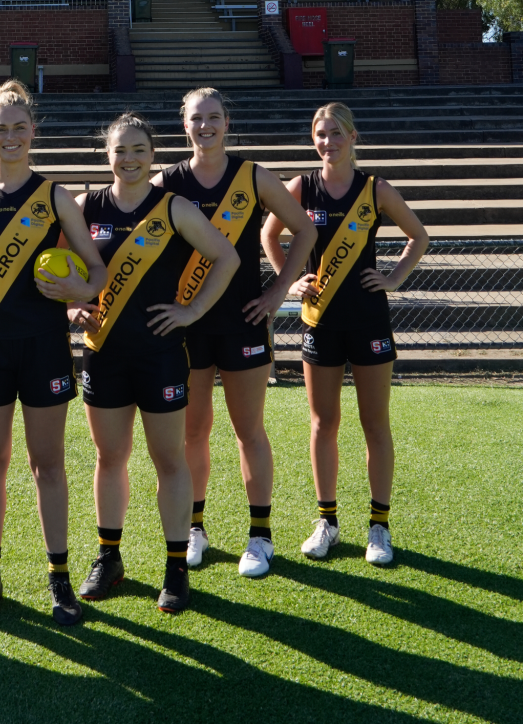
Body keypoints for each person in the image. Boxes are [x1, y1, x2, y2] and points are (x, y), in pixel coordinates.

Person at [0, 80, 108, 626]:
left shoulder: (55, 196)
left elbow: (97, 269)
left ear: (32, 132)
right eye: (0, 128)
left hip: (43, 350)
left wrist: (79, 293)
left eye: (19, 127)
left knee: (49, 467)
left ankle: (59, 579)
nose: (10, 136)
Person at [70, 113, 239, 612]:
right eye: (120, 150)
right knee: (109, 459)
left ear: (153, 156)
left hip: (162, 356)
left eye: (139, 150)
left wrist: (192, 310)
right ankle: (109, 557)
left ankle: (174, 567)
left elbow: (225, 258)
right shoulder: (85, 207)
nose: (129, 159)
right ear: (108, 154)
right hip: (104, 356)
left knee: (170, 461)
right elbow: (57, 268)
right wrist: (72, 304)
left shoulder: (175, 208)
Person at [152, 87, 318, 577]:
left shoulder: (253, 176)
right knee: (193, 432)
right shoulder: (166, 182)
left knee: (249, 431)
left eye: (214, 118)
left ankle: (260, 537)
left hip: (242, 320)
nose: (205, 127)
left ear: (227, 122)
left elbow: (304, 230)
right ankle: (196, 529)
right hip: (186, 322)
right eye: (196, 119)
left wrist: (279, 292)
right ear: (185, 125)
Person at [262, 102, 428, 566]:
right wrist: (288, 279)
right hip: (320, 321)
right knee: (323, 424)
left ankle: (379, 525)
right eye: (320, 134)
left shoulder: (375, 190)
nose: (327, 142)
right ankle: (327, 522)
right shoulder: (301, 187)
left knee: (375, 423)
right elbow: (269, 235)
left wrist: (393, 279)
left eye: (336, 133)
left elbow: (419, 236)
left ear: (353, 137)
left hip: (369, 320)